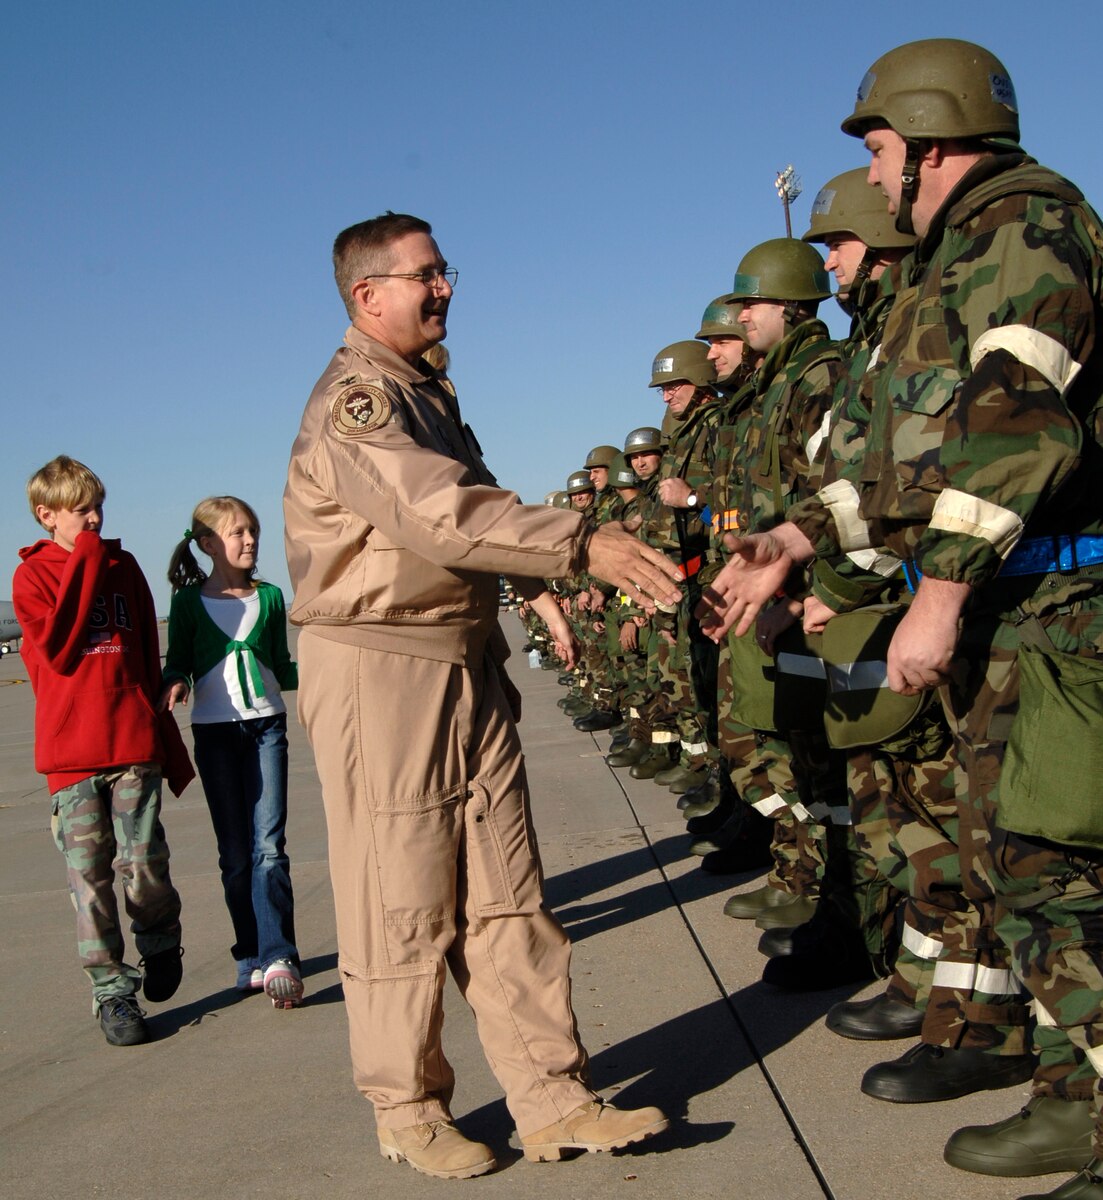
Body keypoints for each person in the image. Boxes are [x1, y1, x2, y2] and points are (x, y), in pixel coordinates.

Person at [698, 39, 1103, 1197]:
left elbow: (1018, 423)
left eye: (877, 148)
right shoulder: (947, 262)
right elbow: (900, 463)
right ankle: (1070, 1093)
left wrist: (935, 593)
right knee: (1008, 861)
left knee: (1052, 866)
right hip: (1009, 613)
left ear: (928, 137)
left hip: (1060, 609)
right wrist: (791, 540)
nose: (872, 181)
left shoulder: (1023, 231)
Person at [284, 212, 677, 1179]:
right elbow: (435, 511)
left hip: (462, 658)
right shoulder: (359, 402)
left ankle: (550, 1097)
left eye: (444, 270)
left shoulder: (428, 393)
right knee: (402, 896)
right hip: (383, 669)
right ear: (366, 295)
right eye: (425, 275)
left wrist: (532, 584)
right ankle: (407, 1109)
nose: (445, 287)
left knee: (507, 889)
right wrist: (578, 544)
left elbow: (475, 494)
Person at [13, 455, 191, 1047]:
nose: (95, 517)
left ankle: (160, 939)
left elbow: (143, 650)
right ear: (47, 516)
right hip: (71, 754)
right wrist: (86, 559)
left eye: (98, 505)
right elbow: (59, 651)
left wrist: (161, 723)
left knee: (142, 864)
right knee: (88, 878)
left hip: (132, 740)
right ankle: (113, 992)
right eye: (81, 508)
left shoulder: (126, 566)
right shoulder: (33, 577)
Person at [160, 497, 302, 1006]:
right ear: (206, 544)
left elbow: (283, 666)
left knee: (269, 847)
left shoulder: (270, 597)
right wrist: (174, 683)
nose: (249, 541)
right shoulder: (186, 603)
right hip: (215, 733)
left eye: (252, 532)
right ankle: (250, 952)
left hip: (267, 727)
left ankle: (280, 953)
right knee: (235, 856)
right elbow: (177, 662)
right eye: (236, 533)